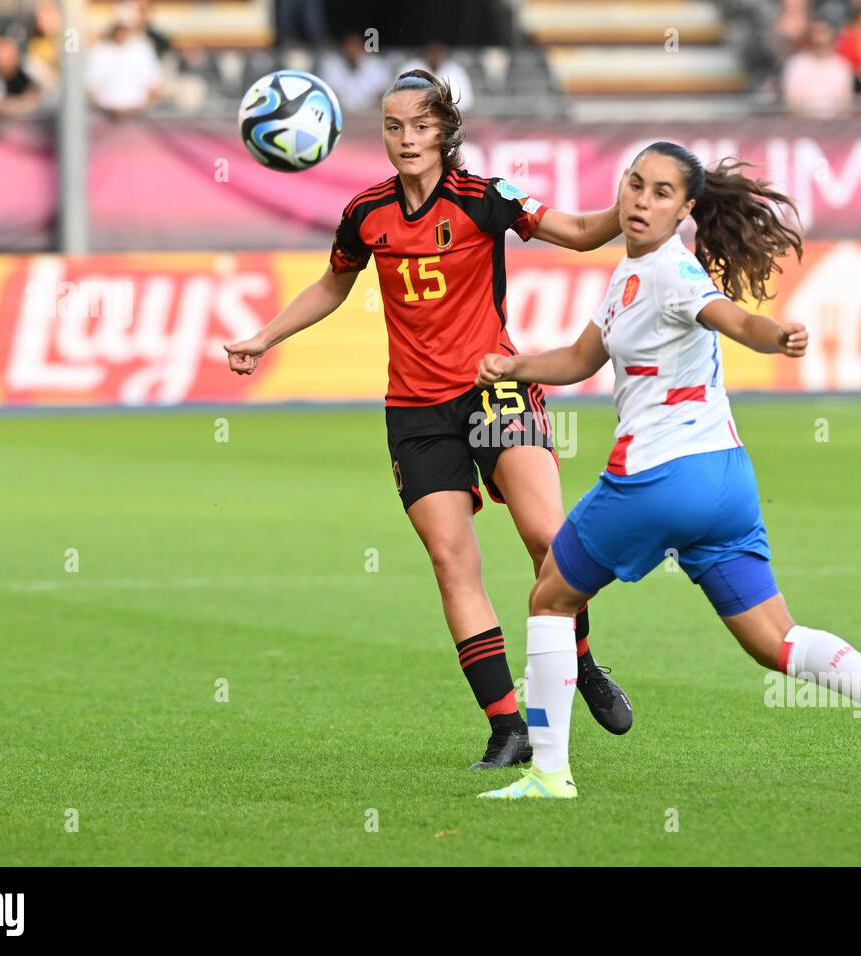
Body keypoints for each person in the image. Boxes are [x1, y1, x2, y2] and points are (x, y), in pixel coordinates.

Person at [474, 142, 861, 800]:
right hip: (725, 483)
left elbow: (734, 319)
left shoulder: (674, 273)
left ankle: (549, 774)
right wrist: (516, 367)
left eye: (660, 193)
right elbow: (578, 359)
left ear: (686, 209)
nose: (641, 201)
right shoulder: (628, 278)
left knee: (550, 598)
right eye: (635, 186)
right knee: (776, 642)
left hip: (655, 478)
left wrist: (777, 337)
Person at [223, 70, 634, 769]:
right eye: (393, 126)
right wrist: (264, 337)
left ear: (446, 130)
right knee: (453, 562)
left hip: (495, 388)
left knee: (548, 539)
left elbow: (581, 233)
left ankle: (583, 660)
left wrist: (639, 203)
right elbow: (333, 281)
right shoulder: (366, 213)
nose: (407, 138)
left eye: (420, 124)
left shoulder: (486, 198)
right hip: (415, 410)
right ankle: (509, 727)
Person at [85, 19, 162, 118]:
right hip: (105, 113)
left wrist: (143, 108)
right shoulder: (99, 51)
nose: (121, 34)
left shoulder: (141, 50)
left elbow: (154, 83)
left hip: (137, 113)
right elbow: (89, 85)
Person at [782, 20, 854, 117]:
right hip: (802, 124)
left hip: (834, 125)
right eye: (817, 44)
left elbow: (845, 103)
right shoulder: (796, 65)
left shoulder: (842, 66)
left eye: (824, 43)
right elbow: (792, 102)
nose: (821, 46)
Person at [318, 32, 390, 113]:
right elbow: (327, 95)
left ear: (362, 48)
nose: (352, 51)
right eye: (349, 47)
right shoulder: (330, 65)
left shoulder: (375, 65)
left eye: (355, 47)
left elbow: (383, 94)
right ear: (343, 48)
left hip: (370, 114)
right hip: (340, 112)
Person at [398, 43, 473, 113]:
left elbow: (465, 102)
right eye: (432, 52)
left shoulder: (456, 71)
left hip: (448, 118)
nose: (435, 56)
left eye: (437, 52)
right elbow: (399, 97)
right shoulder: (411, 68)